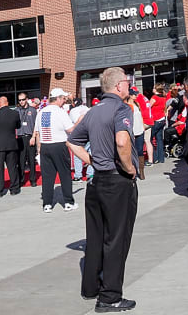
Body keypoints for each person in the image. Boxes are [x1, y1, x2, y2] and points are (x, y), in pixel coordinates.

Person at [67, 67, 139, 313]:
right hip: (117, 180)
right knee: (116, 239)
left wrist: (92, 161)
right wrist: (129, 168)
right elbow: (122, 141)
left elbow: (72, 141)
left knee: (96, 236)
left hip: (96, 182)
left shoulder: (92, 111)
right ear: (118, 86)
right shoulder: (121, 109)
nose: (128, 86)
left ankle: (90, 288)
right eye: (127, 83)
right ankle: (109, 297)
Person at [36, 88, 77, 212]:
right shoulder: (60, 112)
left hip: (45, 145)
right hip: (59, 145)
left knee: (47, 176)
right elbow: (70, 129)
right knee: (65, 174)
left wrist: (39, 148)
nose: (64, 101)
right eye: (63, 98)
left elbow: (37, 131)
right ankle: (68, 202)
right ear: (58, 98)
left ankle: (47, 204)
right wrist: (79, 122)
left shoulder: (41, 112)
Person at [0, 95, 22, 197]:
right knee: (12, 167)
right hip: (11, 144)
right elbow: (18, 126)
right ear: (7, 103)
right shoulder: (15, 114)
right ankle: (15, 188)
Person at [16, 92, 39, 186]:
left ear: (26, 99)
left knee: (31, 160)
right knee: (20, 160)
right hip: (20, 138)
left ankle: (32, 179)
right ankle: (21, 179)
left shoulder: (33, 110)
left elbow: (36, 126)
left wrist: (33, 137)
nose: (21, 102)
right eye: (19, 100)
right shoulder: (16, 111)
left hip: (30, 137)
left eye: (23, 99)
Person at [147, 84, 168, 165]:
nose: (152, 88)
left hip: (155, 120)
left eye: (153, 87)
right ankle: (161, 158)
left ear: (156, 89)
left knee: (150, 139)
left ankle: (154, 157)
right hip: (162, 120)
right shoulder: (163, 98)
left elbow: (148, 106)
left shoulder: (154, 97)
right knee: (159, 139)